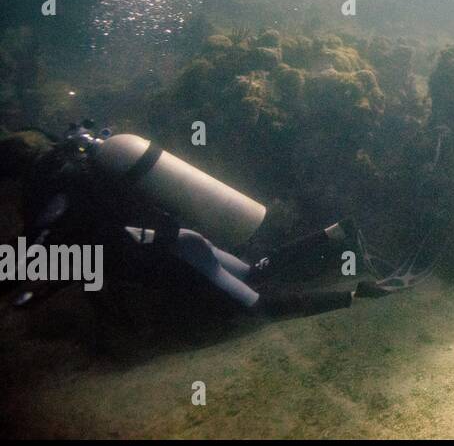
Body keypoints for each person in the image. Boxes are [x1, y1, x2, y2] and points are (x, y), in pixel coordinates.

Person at [0, 123, 386, 317]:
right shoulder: (74, 165)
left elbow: (39, 247)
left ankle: (354, 295)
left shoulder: (51, 186)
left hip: (174, 251)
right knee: (255, 270)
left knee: (259, 305)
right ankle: (334, 233)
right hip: (179, 236)